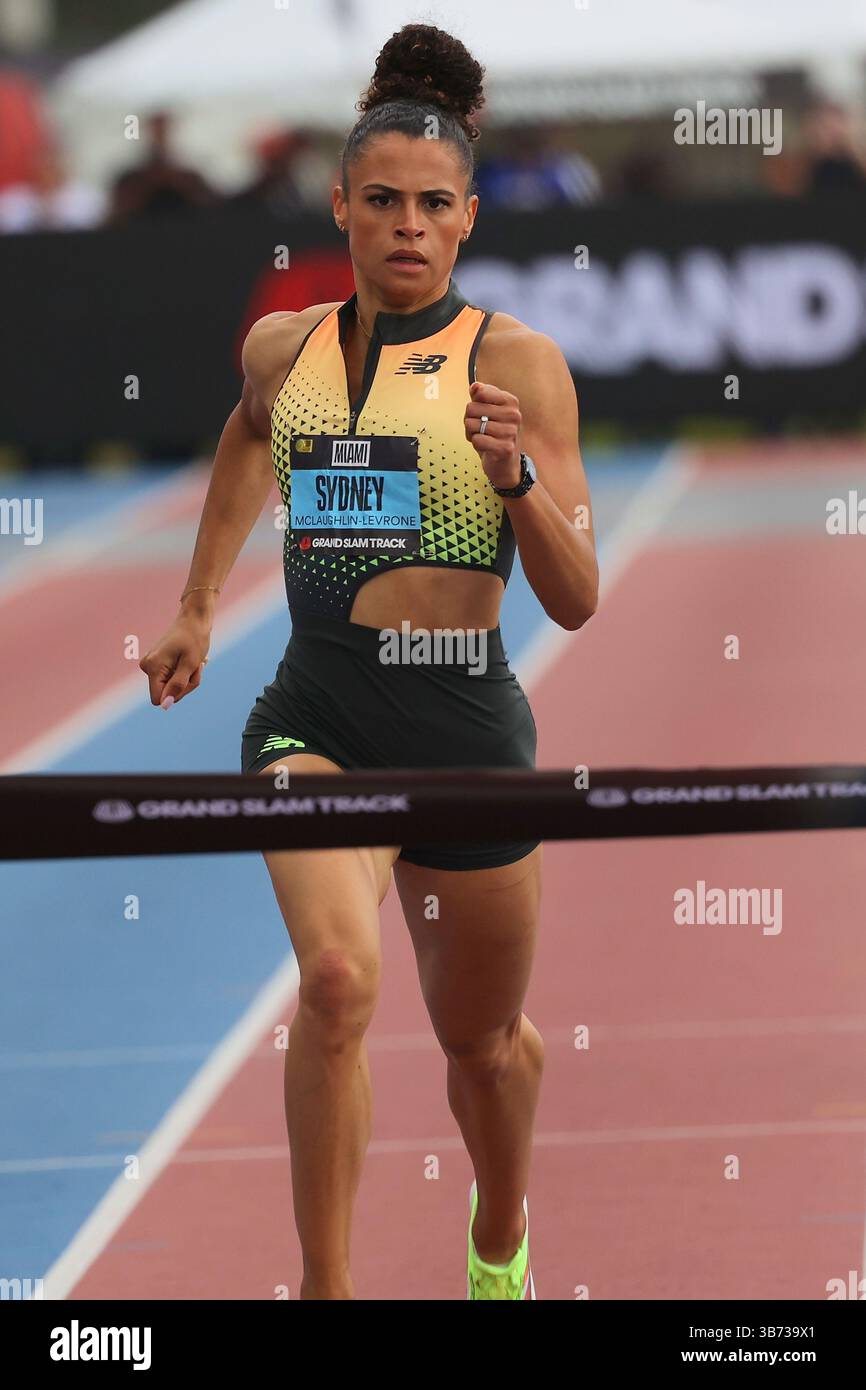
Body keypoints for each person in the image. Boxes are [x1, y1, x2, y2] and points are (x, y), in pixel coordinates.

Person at [140, 22, 598, 1300]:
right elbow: (246, 440)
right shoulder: (281, 350)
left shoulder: (514, 366)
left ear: (465, 223)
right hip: (313, 721)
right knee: (336, 982)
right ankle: (328, 1290)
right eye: (381, 200)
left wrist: (511, 481)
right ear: (339, 205)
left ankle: (498, 1231)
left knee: (484, 1046)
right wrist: (193, 604)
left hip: (466, 745)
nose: (406, 224)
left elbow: (576, 600)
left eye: (433, 206)